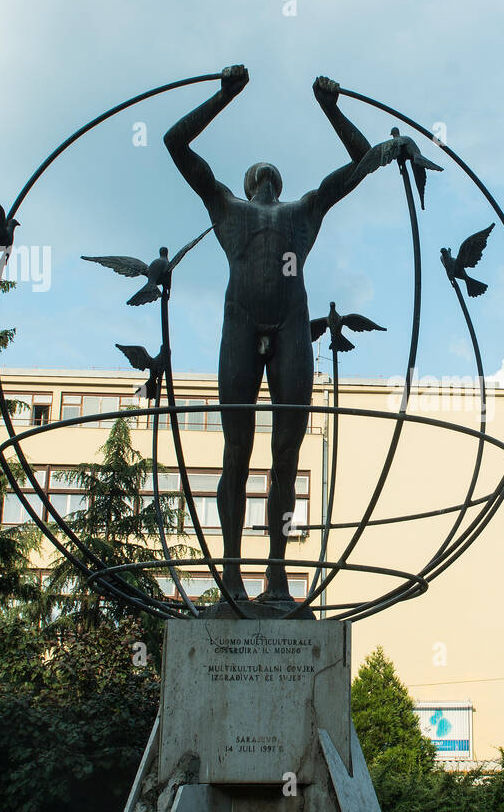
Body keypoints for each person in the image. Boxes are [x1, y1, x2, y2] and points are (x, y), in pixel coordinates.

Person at [164, 66, 400, 614]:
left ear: (277, 184)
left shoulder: (304, 211)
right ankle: (230, 575)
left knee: (287, 458)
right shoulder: (226, 208)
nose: (264, 178)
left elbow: (363, 162)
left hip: (293, 327)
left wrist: (331, 106)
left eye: (270, 174)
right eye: (259, 174)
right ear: (251, 184)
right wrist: (225, 93)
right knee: (236, 453)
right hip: (241, 327)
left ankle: (276, 575)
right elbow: (175, 142)